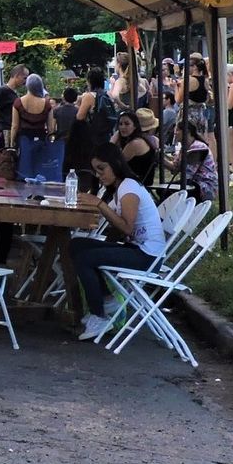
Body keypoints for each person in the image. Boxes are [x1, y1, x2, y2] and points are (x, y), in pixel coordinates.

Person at [71, 143, 167, 341]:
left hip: (147, 256)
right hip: (136, 248)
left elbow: (127, 228)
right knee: (76, 245)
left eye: (102, 169)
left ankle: (99, 315)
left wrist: (99, 205)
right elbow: (116, 231)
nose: (99, 175)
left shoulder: (129, 188)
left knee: (86, 258)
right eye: (96, 170)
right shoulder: (119, 188)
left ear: (115, 164)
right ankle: (107, 300)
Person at [163, 120, 218, 203]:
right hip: (192, 182)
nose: (175, 133)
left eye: (177, 130)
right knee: (163, 190)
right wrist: (161, 159)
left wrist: (162, 160)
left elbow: (187, 171)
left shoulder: (197, 147)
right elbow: (175, 169)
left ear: (187, 131)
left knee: (167, 192)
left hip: (204, 185)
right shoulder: (184, 148)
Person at [14, 73, 57, 178]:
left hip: (24, 140)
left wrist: (11, 143)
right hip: (41, 140)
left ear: (27, 85)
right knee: (39, 172)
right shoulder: (47, 104)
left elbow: (14, 126)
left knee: (24, 172)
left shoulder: (18, 102)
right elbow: (51, 128)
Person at [68, 67, 107, 174]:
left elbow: (80, 116)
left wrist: (78, 105)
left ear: (90, 81)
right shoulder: (106, 95)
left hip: (91, 136)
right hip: (104, 135)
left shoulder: (90, 96)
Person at [111, 109, 158, 186]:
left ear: (135, 126)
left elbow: (115, 165)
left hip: (137, 184)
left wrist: (113, 140)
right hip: (136, 180)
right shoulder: (150, 140)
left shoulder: (135, 143)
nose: (122, 127)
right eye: (120, 124)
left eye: (127, 124)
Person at [0, 65, 29, 148]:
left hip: (13, 131)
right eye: (24, 78)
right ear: (17, 75)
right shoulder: (2, 91)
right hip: (5, 131)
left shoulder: (14, 93)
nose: (25, 81)